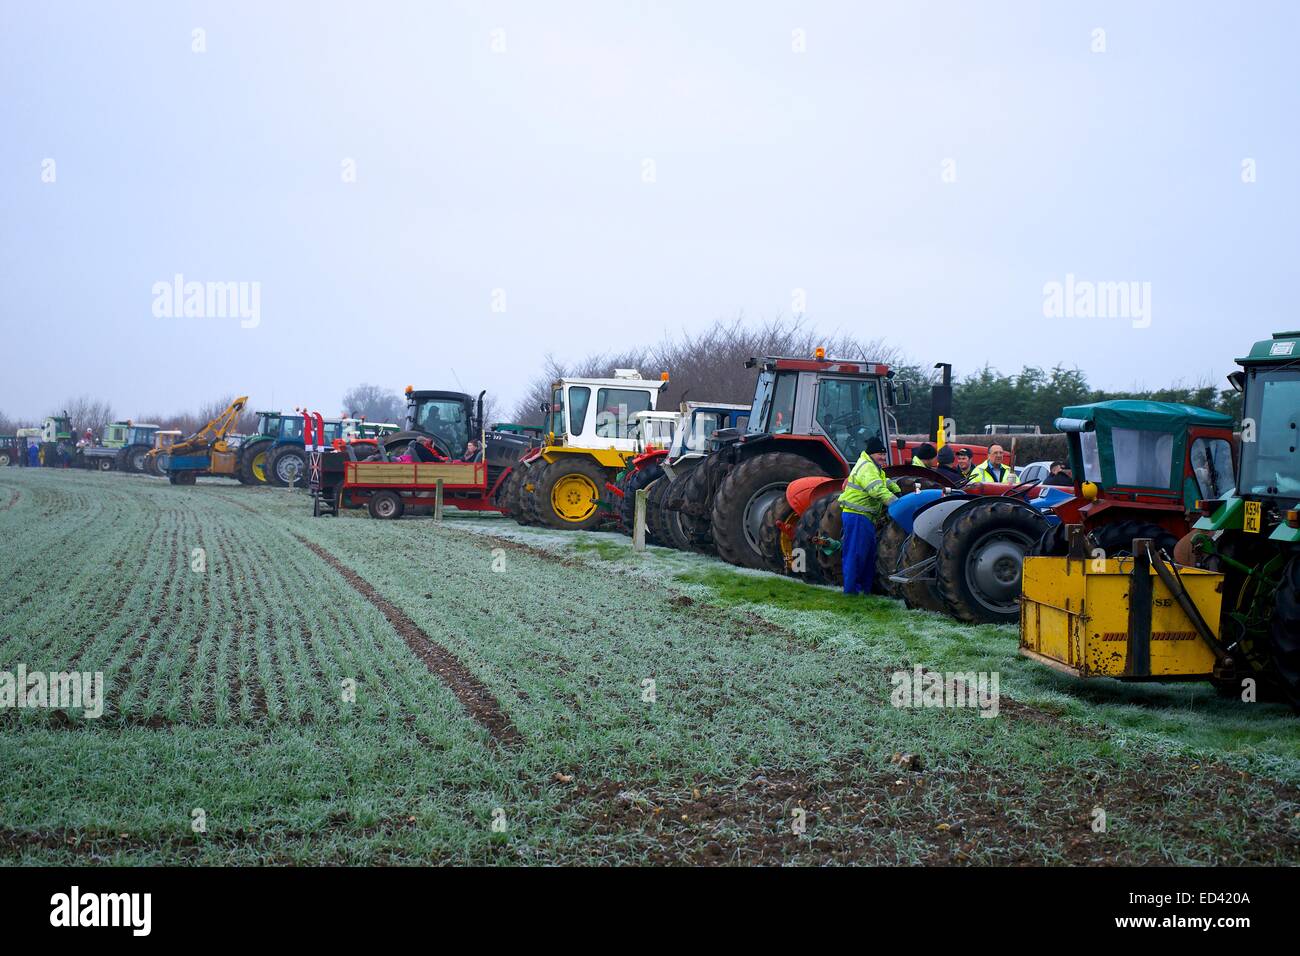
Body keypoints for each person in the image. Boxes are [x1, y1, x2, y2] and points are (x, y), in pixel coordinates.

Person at [838, 436, 901, 595]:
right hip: (857, 516)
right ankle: (851, 591)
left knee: (867, 555)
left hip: (865, 517)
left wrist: (897, 487)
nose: (883, 457)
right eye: (880, 454)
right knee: (856, 554)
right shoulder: (867, 467)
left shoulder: (874, 468)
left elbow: (883, 482)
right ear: (872, 454)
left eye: (884, 455)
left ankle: (865, 591)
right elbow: (876, 489)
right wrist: (898, 503)